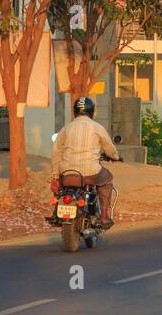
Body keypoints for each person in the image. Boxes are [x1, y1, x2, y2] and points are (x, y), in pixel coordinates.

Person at [50, 96, 121, 227]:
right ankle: (104, 216)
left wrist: (55, 175)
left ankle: (56, 212)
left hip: (67, 171)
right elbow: (109, 148)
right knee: (107, 180)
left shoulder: (67, 128)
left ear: (75, 111)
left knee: (59, 185)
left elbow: (56, 153)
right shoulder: (97, 127)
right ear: (92, 112)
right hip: (91, 171)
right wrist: (115, 157)